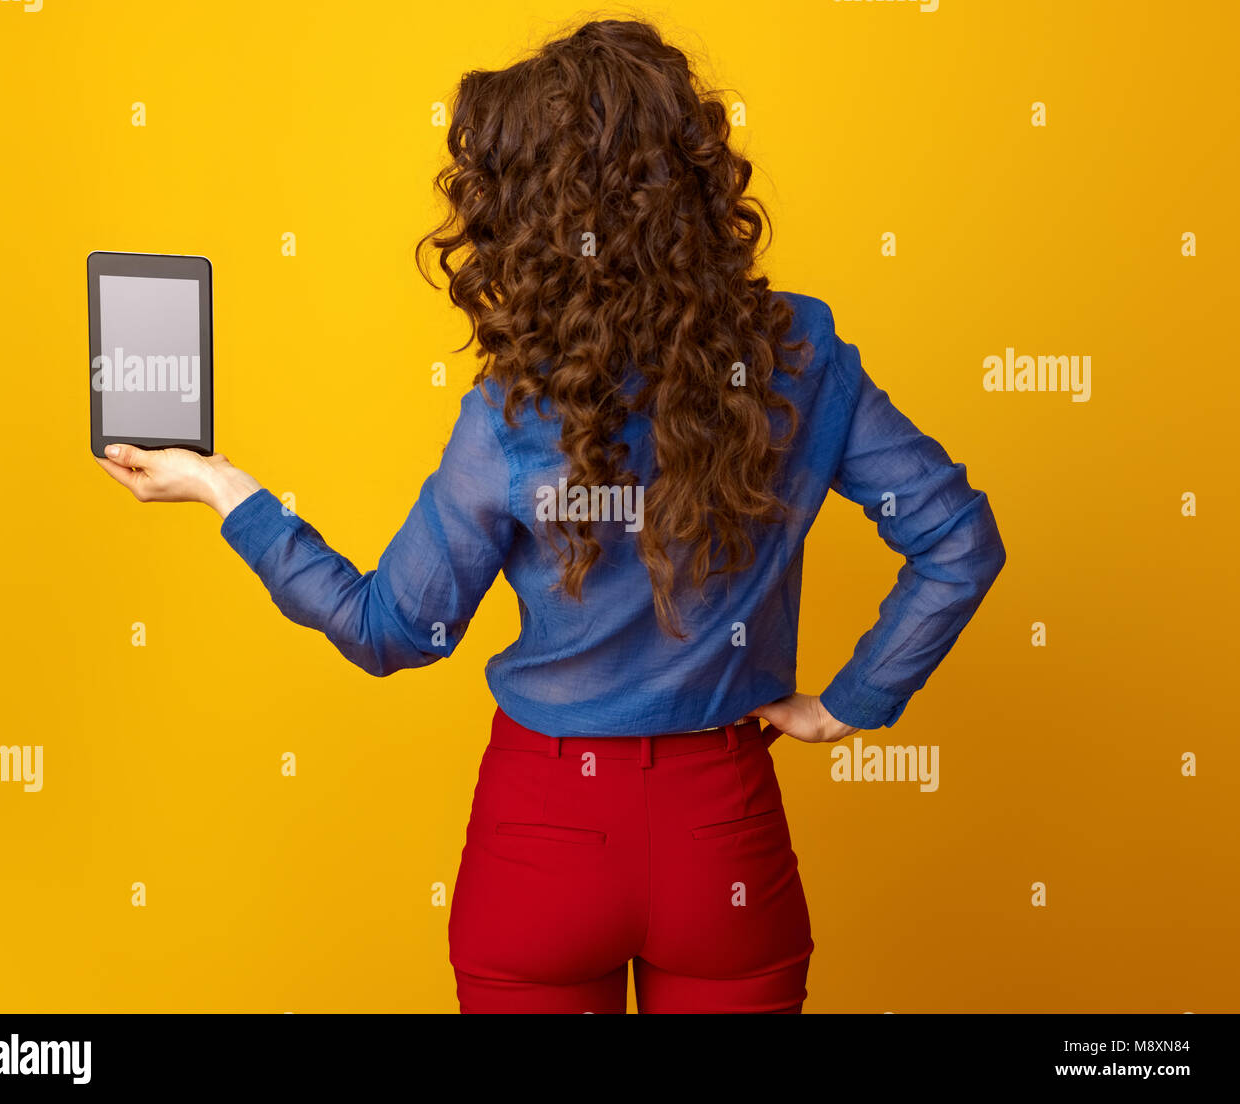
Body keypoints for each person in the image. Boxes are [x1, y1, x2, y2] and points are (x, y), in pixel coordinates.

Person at [95, 18, 1006, 1014]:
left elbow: (389, 631)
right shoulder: (800, 355)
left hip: (540, 849)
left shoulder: (512, 414)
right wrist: (848, 704)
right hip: (722, 838)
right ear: (697, 180)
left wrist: (224, 488)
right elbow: (956, 539)